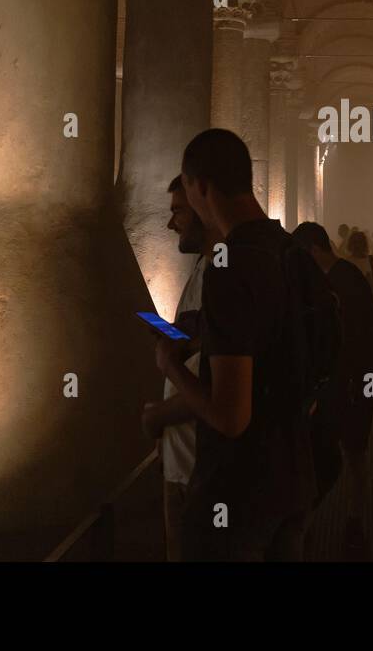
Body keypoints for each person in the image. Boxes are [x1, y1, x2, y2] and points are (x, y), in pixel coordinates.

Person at [156, 128, 317, 561]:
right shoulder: (293, 252)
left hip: (236, 494)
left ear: (202, 187)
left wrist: (170, 368)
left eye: (186, 195)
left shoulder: (229, 267)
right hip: (295, 477)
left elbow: (230, 418)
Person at [293, 222, 373, 558]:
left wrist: (359, 388)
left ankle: (350, 519)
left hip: (353, 382)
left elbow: (359, 340)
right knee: (340, 451)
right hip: (344, 382)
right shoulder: (337, 276)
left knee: (350, 453)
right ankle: (334, 519)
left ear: (313, 251)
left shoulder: (342, 280)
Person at [141, 176, 221, 561]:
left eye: (178, 211)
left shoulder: (225, 274)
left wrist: (159, 414)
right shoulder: (206, 268)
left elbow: (222, 386)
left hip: (203, 472)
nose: (171, 223)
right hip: (186, 463)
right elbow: (202, 347)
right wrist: (172, 335)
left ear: (204, 202)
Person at [346, 230, 373, 317]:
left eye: (359, 242)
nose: (357, 245)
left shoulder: (370, 261)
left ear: (364, 244)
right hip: (353, 302)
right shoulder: (347, 262)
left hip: (369, 301)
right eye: (355, 242)